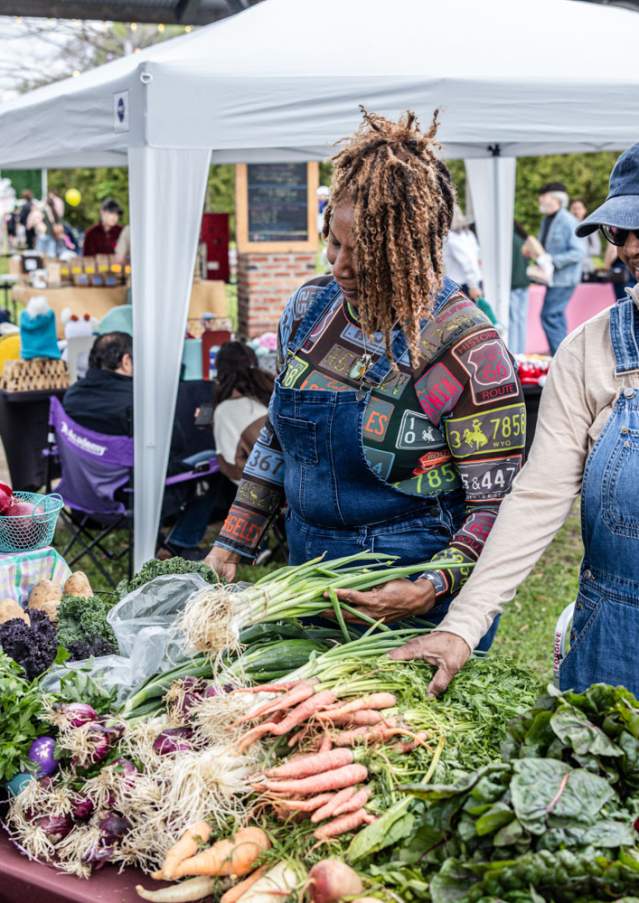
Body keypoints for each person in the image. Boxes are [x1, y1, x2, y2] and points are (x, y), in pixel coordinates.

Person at [205, 109, 526, 649]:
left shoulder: (466, 347)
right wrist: (232, 542)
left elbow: (498, 507)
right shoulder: (308, 310)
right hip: (308, 573)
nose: (341, 267)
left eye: (366, 254)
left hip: (417, 601)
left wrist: (429, 586)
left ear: (414, 249)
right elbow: (280, 436)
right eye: (335, 243)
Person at [389, 143, 639, 697]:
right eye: (621, 232)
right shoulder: (588, 352)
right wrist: (461, 626)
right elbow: (536, 498)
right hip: (616, 646)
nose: (631, 248)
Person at [64, 331, 235, 557]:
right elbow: (174, 446)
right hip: (135, 496)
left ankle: (166, 542)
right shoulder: (138, 399)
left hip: (83, 492)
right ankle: (180, 542)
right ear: (126, 361)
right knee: (213, 462)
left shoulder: (71, 396)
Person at [212, 342, 274, 484]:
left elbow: (234, 469)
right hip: (300, 486)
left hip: (268, 494)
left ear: (220, 373)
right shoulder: (275, 392)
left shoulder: (225, 411)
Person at [536, 182, 584, 354]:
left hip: (564, 279)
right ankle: (564, 357)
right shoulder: (547, 220)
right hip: (554, 279)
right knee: (555, 317)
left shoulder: (568, 221)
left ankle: (560, 357)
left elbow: (579, 252)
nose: (540, 199)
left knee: (550, 316)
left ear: (555, 198)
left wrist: (552, 260)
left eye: (543, 195)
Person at [443, 205, 482, 300]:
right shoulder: (468, 234)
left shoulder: (452, 238)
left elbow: (468, 261)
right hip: (471, 283)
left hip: (463, 286)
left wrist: (473, 286)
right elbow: (477, 259)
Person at [508, 221, 532, 355]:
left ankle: (513, 353)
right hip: (524, 283)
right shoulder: (522, 238)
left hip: (513, 284)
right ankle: (520, 352)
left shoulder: (507, 240)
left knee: (513, 320)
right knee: (521, 320)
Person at [570, 198, 601, 277]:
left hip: (585, 268)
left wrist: (579, 252)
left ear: (584, 210)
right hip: (568, 269)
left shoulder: (589, 227)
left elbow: (596, 249)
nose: (576, 211)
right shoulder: (565, 228)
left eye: (579, 208)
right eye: (574, 209)